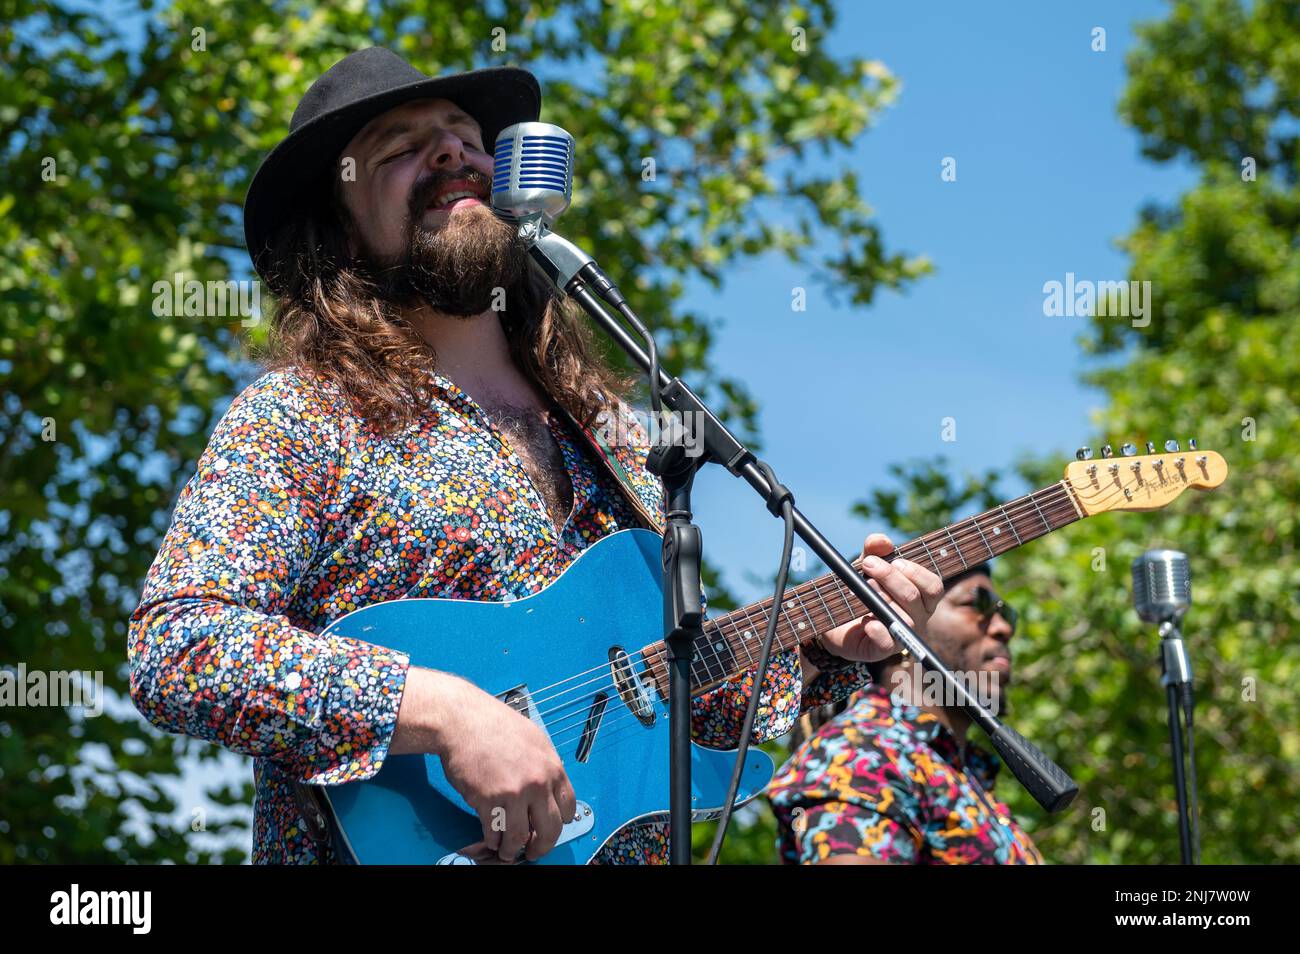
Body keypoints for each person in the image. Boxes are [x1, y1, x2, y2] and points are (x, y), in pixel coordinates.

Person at [127, 47, 944, 864]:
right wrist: (443, 711)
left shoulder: (611, 434)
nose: (451, 151)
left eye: (465, 137)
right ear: (341, 230)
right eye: (401, 148)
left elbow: (679, 713)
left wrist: (818, 648)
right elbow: (182, 648)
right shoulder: (306, 414)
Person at [768, 563, 1045, 864]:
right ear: (900, 622)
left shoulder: (957, 768)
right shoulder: (865, 752)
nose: (1003, 627)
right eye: (976, 604)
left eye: (1007, 614)